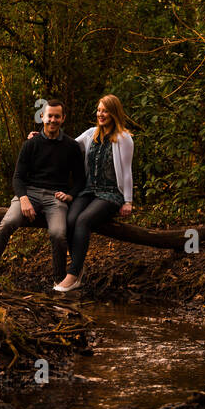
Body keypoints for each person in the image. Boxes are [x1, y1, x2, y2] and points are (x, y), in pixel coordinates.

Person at [0, 98, 86, 283]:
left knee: (58, 234)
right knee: (8, 222)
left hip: (56, 198)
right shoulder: (31, 144)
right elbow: (18, 176)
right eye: (49, 116)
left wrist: (70, 195)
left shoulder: (71, 146)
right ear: (42, 116)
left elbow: (80, 179)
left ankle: (59, 282)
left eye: (57, 117)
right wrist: (23, 199)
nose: (52, 120)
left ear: (63, 118)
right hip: (30, 193)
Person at [53, 95, 135, 292]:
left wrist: (128, 201)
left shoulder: (124, 138)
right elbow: (69, 145)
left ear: (114, 113)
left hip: (110, 194)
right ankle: (78, 270)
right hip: (88, 190)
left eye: (105, 111)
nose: (101, 114)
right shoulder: (91, 133)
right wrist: (41, 137)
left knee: (83, 220)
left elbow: (127, 170)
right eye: (99, 110)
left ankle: (72, 275)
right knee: (70, 218)